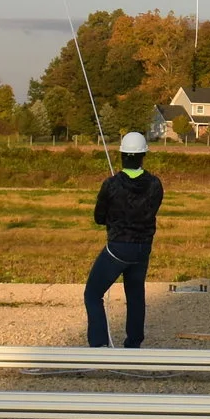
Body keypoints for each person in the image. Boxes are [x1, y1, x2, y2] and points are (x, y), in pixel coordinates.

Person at [85, 132, 164, 348]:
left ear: (121, 155)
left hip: (118, 248)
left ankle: (99, 344)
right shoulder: (156, 184)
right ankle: (133, 344)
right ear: (143, 156)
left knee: (93, 293)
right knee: (136, 295)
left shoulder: (111, 184)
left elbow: (99, 218)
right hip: (143, 249)